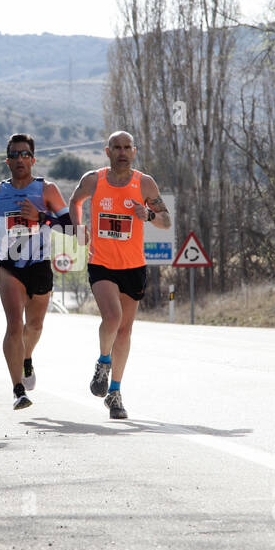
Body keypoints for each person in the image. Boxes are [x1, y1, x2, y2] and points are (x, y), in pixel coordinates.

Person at [68, 130, 171, 419]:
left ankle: (114, 392)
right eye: (117, 147)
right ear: (107, 151)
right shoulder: (94, 179)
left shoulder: (144, 183)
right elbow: (74, 202)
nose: (122, 152)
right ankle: (103, 362)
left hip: (133, 266)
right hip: (101, 263)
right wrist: (77, 227)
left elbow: (166, 220)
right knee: (111, 318)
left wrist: (148, 216)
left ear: (134, 151)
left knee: (125, 330)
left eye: (127, 147)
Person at [0, 134, 73, 410]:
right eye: (15, 155)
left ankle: (27, 357)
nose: (20, 159)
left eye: (25, 154)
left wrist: (41, 217)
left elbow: (69, 228)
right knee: (14, 324)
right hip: (9, 265)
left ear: (33, 159)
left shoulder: (47, 190)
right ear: (7, 161)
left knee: (35, 325)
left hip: (39, 264)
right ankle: (18, 388)